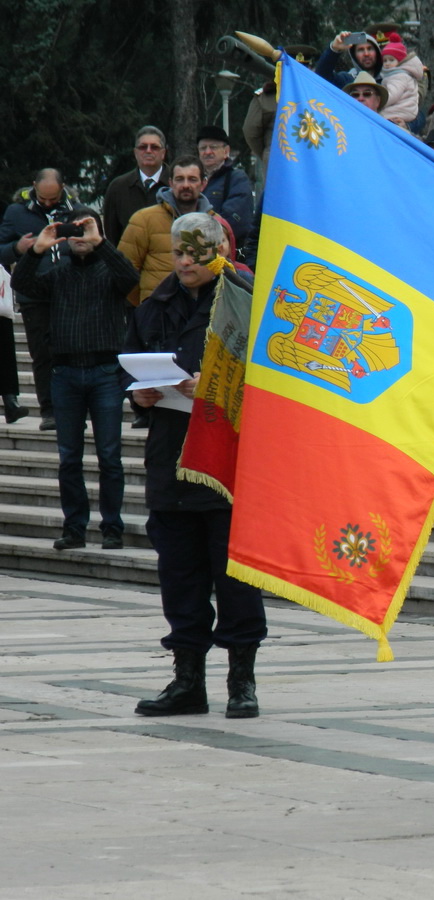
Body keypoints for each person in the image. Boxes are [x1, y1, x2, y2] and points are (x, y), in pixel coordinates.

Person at [127, 212, 267, 720]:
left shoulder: (244, 300)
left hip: (226, 463)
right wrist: (141, 396)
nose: (185, 261)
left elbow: (270, 381)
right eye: (179, 252)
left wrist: (217, 383)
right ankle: (188, 681)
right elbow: (140, 362)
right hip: (170, 457)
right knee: (179, 577)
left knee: (235, 579)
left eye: (195, 252)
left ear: (219, 253)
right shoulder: (155, 304)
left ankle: (241, 680)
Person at [10, 209, 138, 551]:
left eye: (87, 229)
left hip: (105, 373)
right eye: (75, 230)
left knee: (110, 455)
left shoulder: (110, 271)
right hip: (65, 374)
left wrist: (102, 242)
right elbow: (22, 284)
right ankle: (75, 527)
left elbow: (130, 279)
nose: (80, 236)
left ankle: (112, 527)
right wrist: (37, 249)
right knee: (69, 457)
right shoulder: (59, 273)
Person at [0, 168, 81, 431]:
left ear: (63, 189)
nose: (47, 203)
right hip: (33, 293)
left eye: (53, 198)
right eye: (42, 198)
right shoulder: (16, 213)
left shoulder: (77, 210)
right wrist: (16, 249)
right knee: (42, 354)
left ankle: (72, 407)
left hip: (69, 291)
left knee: (69, 351)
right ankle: (49, 410)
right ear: (33, 186)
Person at [118, 156, 215, 303]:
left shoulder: (215, 224)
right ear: (170, 183)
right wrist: (146, 306)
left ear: (203, 184)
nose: (186, 185)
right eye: (180, 179)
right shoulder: (144, 220)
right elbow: (124, 271)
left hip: (202, 313)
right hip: (156, 314)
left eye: (192, 179)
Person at [103, 127, 170, 244]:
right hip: (128, 260)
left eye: (154, 147)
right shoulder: (118, 187)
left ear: (163, 153)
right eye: (143, 147)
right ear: (135, 152)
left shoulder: (177, 184)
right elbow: (112, 235)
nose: (148, 151)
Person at [196, 126, 252, 247]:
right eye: (203, 148)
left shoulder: (236, 179)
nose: (207, 152)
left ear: (226, 151)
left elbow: (234, 221)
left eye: (213, 147)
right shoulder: (192, 180)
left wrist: (200, 237)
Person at [377, 32, 422, 128]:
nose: (387, 63)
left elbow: (392, 95)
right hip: (406, 110)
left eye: (391, 60)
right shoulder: (404, 74)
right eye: (385, 60)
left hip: (398, 111)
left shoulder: (398, 76)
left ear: (400, 61)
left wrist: (378, 100)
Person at [315, 29, 383, 88]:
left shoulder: (388, 78)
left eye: (370, 49)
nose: (366, 54)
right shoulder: (346, 80)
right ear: (354, 55)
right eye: (360, 50)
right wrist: (334, 49)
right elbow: (321, 76)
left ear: (377, 51)